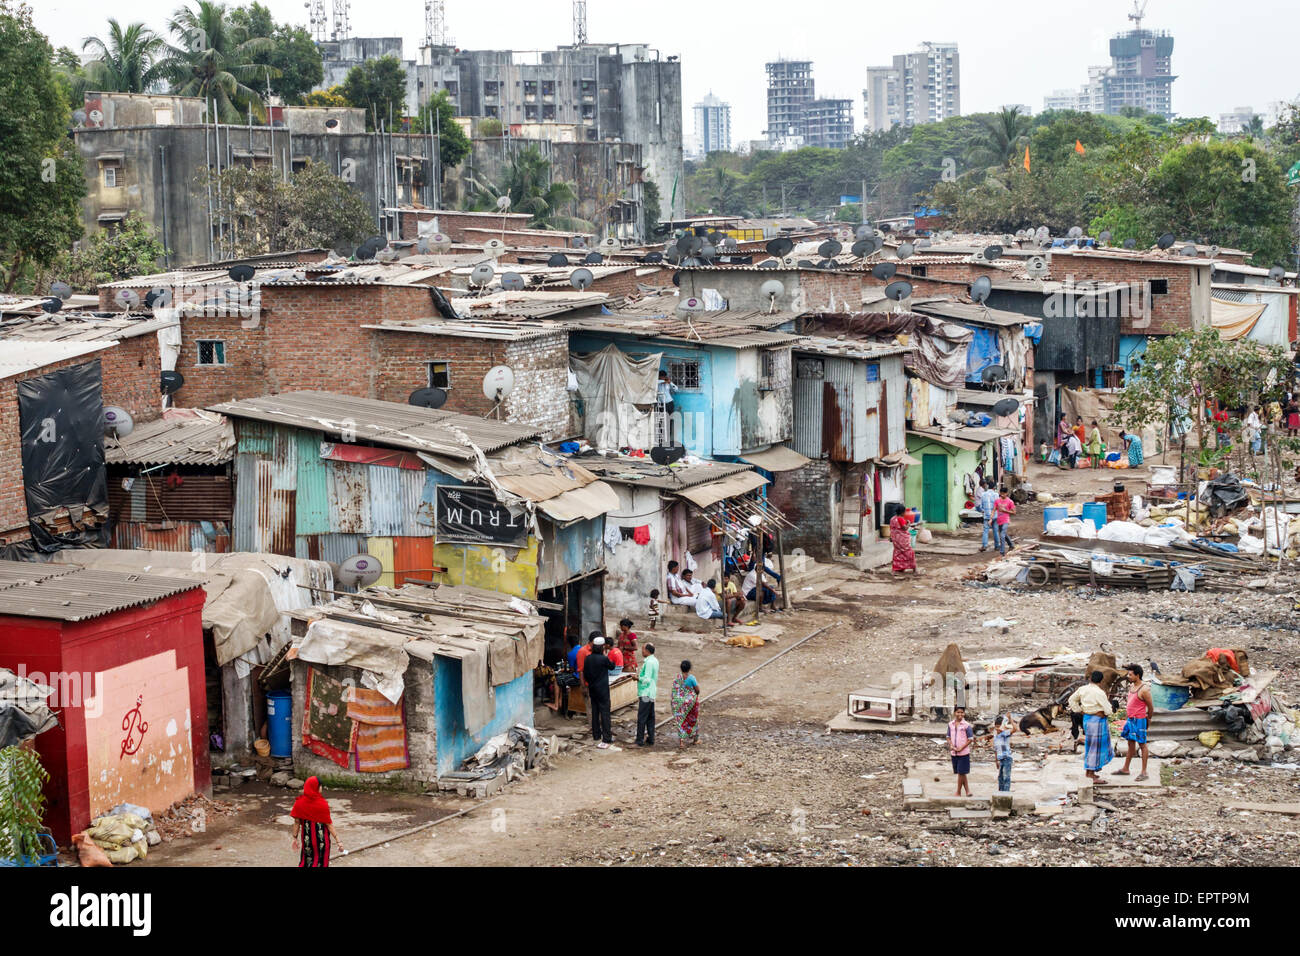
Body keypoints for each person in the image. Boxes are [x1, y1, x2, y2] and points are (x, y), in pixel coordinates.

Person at [1068, 670, 1115, 781]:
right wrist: (1104, 713)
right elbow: (1108, 709)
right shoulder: (1099, 692)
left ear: (1090, 679)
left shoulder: (1082, 689)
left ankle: (1090, 772)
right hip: (1097, 721)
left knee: (1091, 746)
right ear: (1101, 680)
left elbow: (1071, 700)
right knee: (1095, 748)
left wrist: (1080, 710)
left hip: (1087, 719)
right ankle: (1091, 774)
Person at [291, 776, 341, 867]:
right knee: (321, 862)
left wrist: (294, 838)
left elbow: (297, 822)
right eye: (320, 786)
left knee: (306, 861)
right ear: (316, 788)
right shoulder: (322, 804)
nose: (321, 788)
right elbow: (329, 824)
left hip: (307, 840)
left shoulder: (299, 803)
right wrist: (338, 841)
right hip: (322, 841)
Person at [1114, 664, 1153, 782]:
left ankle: (1144, 772)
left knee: (1142, 745)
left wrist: (1148, 720)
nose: (1128, 677)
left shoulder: (1144, 690)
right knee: (1130, 744)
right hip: (1131, 719)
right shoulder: (1131, 686)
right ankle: (1126, 768)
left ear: (1138, 675)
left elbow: (1150, 707)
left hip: (1140, 720)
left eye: (1130, 675)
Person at [582, 635, 617, 749]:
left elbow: (585, 674)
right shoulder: (603, 659)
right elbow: (612, 667)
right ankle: (606, 737)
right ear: (602, 647)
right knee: (605, 713)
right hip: (602, 690)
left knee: (595, 712)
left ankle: (596, 735)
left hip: (592, 688)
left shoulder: (587, 658)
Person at [670, 660, 700, 749]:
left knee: (681, 721)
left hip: (679, 704)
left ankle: (681, 743)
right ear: (690, 668)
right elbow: (697, 690)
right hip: (690, 703)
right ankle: (695, 739)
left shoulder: (677, 678)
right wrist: (691, 696)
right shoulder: (692, 678)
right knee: (693, 719)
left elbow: (675, 691)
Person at [947, 705, 975, 797]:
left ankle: (958, 792)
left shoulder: (967, 726)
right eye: (958, 712)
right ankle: (967, 791)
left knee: (961, 773)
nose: (960, 714)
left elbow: (970, 739)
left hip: (963, 752)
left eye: (962, 712)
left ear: (964, 713)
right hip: (954, 752)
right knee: (961, 773)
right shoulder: (950, 724)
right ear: (954, 713)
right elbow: (948, 737)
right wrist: (951, 745)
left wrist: (961, 748)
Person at [635, 642, 658, 747]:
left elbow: (647, 679)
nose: (642, 651)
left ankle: (639, 740)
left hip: (646, 693)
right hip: (651, 692)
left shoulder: (649, 662)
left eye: (643, 649)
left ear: (648, 651)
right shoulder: (654, 660)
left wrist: (637, 678)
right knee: (650, 717)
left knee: (642, 717)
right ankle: (651, 738)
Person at [992, 714, 1014, 793]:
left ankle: (1006, 794)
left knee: (1006, 777)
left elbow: (1015, 729)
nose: (998, 728)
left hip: (1007, 758)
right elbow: (996, 749)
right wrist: (996, 761)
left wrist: (1010, 719)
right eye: (997, 726)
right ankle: (1001, 793)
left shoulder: (1005, 734)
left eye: (1000, 726)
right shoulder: (996, 737)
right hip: (1001, 759)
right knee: (1000, 778)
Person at [890, 508, 916, 573]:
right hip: (902, 539)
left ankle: (899, 568)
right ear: (902, 512)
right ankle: (914, 568)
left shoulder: (892, 518)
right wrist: (909, 523)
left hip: (896, 539)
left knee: (898, 552)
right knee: (908, 551)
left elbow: (892, 528)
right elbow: (904, 528)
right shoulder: (900, 518)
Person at [994, 484, 1016, 555]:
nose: (1002, 495)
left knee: (1002, 535)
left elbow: (1014, 512)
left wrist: (1005, 511)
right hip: (999, 520)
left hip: (1006, 520)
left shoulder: (1010, 502)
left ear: (1007, 493)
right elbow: (994, 509)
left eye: (1003, 494)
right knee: (1004, 534)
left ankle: (1002, 551)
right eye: (1001, 493)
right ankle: (1011, 545)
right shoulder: (997, 501)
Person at [978, 477, 998, 553]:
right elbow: (998, 505)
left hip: (986, 516)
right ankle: (997, 546)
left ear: (988, 486)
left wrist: (984, 511)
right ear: (994, 487)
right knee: (995, 531)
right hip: (994, 516)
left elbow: (981, 506)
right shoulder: (996, 495)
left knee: (985, 531)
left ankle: (984, 545)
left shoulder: (983, 494)